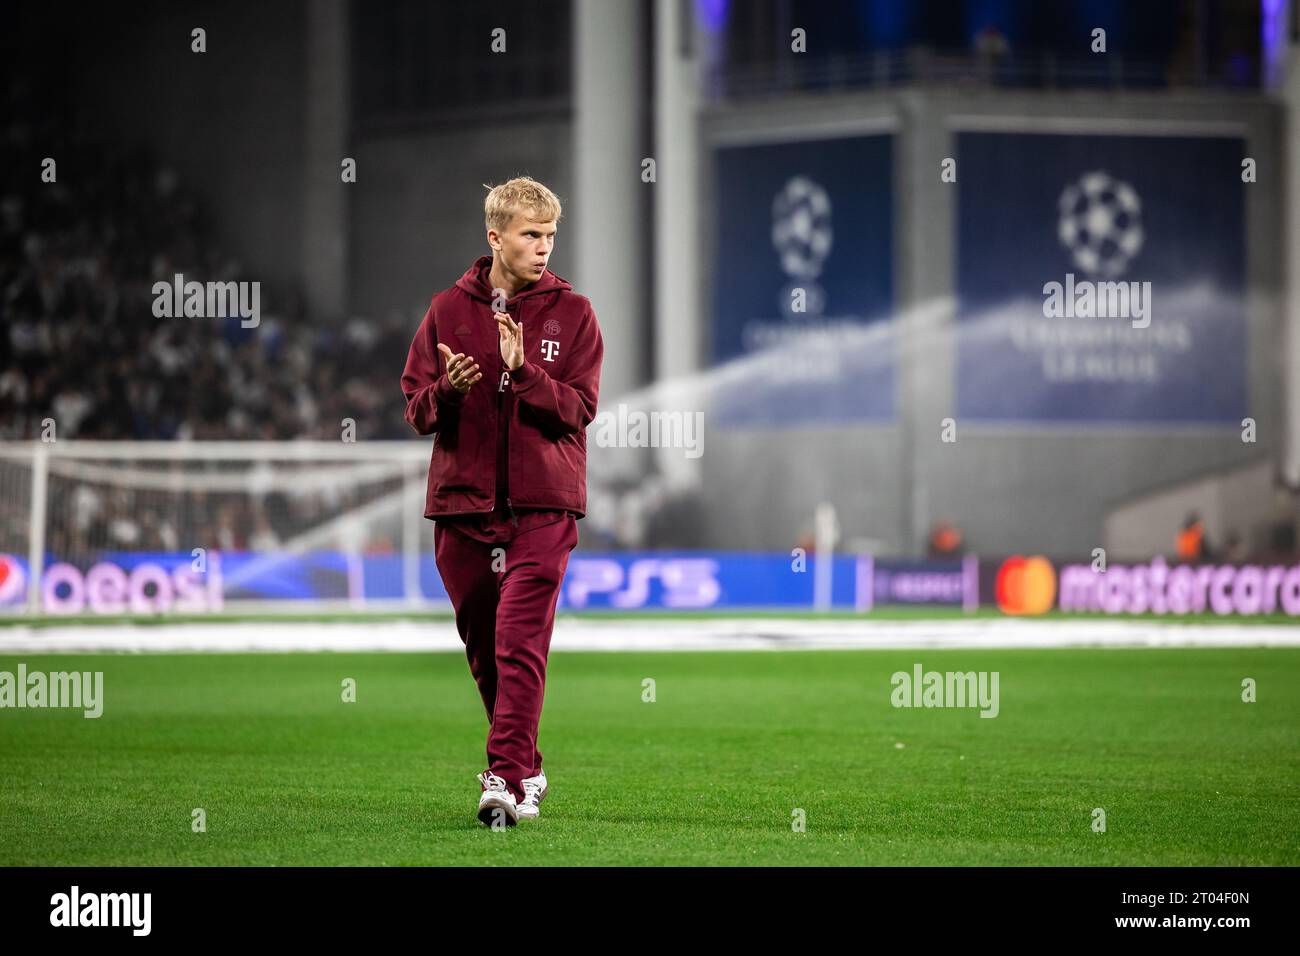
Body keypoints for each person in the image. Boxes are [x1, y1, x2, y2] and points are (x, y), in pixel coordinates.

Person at [400, 177, 604, 827]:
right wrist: (450, 393)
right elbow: (416, 409)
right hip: (463, 510)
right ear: (495, 237)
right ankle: (529, 768)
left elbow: (579, 410)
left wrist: (525, 375)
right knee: (486, 651)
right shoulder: (445, 312)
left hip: (545, 507)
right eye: (530, 235)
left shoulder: (574, 314)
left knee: (520, 641)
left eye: (550, 235)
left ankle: (502, 779)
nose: (544, 248)